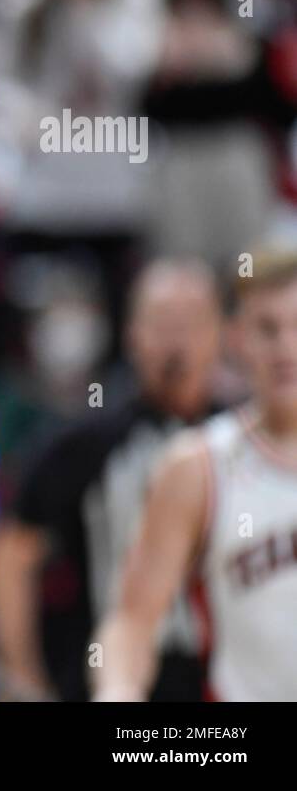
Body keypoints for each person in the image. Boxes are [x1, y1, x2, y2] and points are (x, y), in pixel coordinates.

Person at [0, 259, 223, 701]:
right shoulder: (84, 444)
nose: (176, 341)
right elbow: (13, 558)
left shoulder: (241, 440)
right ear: (131, 333)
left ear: (221, 333)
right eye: (161, 323)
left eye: (191, 323)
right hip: (109, 680)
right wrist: (26, 680)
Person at [93, 247, 297, 701]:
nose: (286, 346)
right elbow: (132, 621)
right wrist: (117, 692)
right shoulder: (197, 464)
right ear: (237, 338)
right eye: (268, 329)